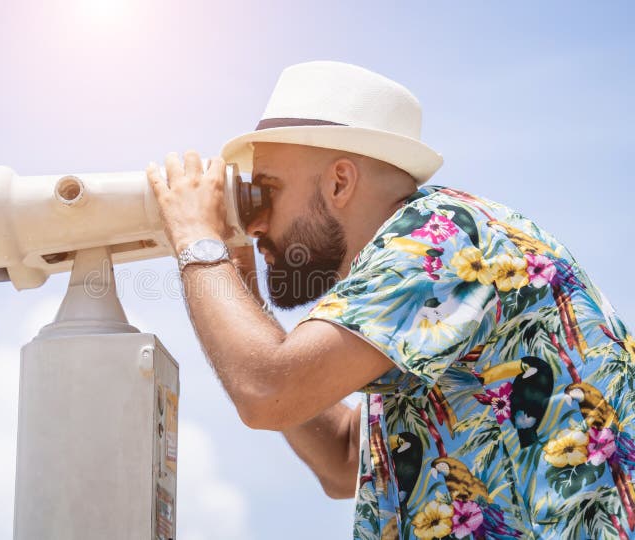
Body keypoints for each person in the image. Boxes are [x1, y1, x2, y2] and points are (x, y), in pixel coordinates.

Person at [146, 61, 635, 539]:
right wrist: (239, 282)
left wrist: (196, 238)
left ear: (340, 181)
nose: (254, 224)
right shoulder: (423, 277)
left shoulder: (437, 237)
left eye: (268, 191)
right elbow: (341, 458)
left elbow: (268, 390)